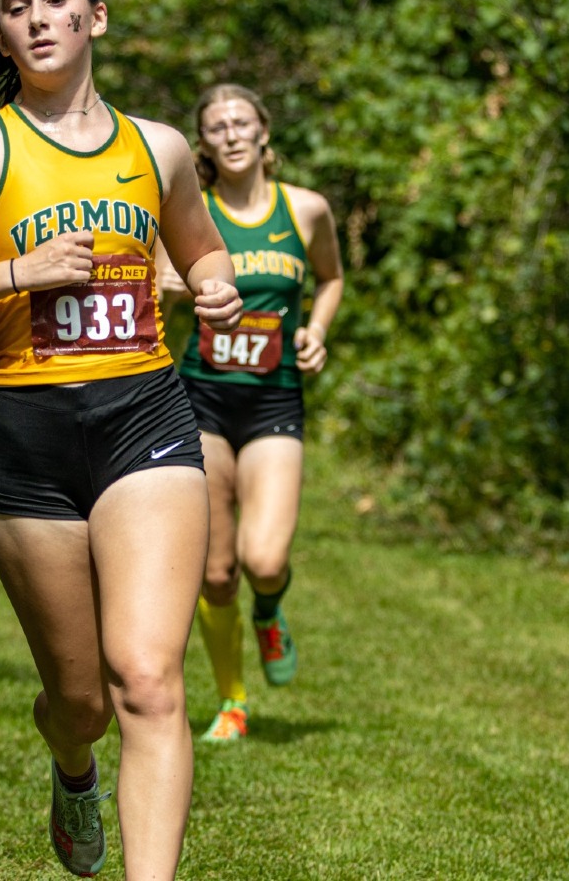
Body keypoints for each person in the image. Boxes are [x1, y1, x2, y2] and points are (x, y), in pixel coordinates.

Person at [0, 0, 242, 880]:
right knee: (79, 701)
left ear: (95, 16)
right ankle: (72, 768)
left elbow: (201, 251)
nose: (36, 18)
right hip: (30, 441)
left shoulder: (157, 148)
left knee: (150, 681)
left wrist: (215, 284)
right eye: (14, 6)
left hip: (146, 420)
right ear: (0, 29)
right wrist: (14, 271)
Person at [156, 83, 345, 743]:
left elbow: (332, 278)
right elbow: (156, 289)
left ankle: (270, 610)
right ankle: (232, 702)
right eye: (216, 125)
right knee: (213, 570)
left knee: (263, 560)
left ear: (265, 132)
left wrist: (316, 331)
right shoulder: (190, 212)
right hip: (201, 397)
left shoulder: (308, 210)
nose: (231, 133)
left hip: (274, 399)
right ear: (203, 142)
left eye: (242, 122)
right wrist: (171, 286)